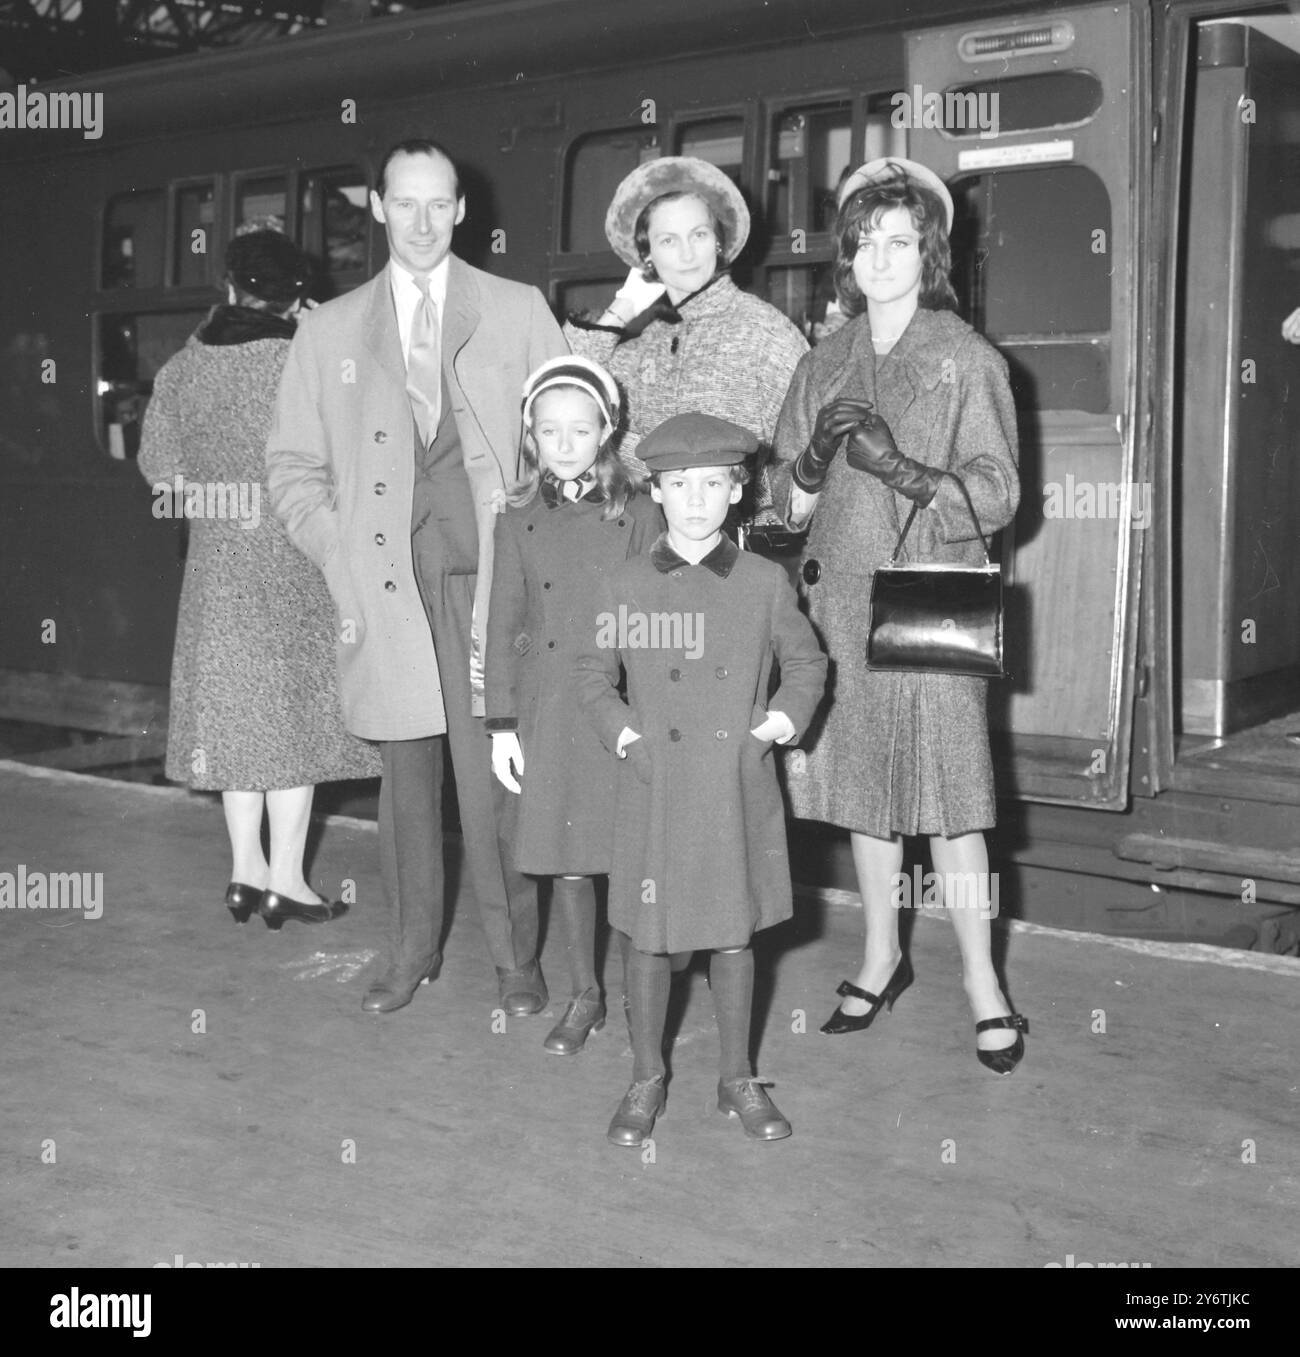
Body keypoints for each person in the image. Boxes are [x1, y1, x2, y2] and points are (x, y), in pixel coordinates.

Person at [266, 138, 567, 1014]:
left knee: (496, 784)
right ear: (377, 206)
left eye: (440, 204)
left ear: (462, 209)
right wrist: (342, 553)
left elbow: (572, 436)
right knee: (406, 786)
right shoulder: (328, 330)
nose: (424, 222)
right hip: (388, 592)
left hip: (490, 584)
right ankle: (409, 950)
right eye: (406, 203)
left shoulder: (517, 310)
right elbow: (291, 464)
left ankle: (516, 956)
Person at [770, 158, 1028, 1073]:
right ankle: (880, 958)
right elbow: (777, 510)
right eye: (865, 240)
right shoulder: (822, 360)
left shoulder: (967, 359)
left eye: (899, 240)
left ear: (929, 252)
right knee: (864, 800)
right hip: (839, 602)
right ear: (846, 256)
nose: (880, 255)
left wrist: (906, 473)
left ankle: (983, 985)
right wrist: (804, 471)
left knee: (955, 803)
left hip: (928, 601)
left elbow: (1001, 494)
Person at [575, 412, 827, 1146]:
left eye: (712, 484)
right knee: (649, 937)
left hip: (730, 784)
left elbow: (807, 664)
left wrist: (774, 726)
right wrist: (627, 737)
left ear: (737, 490)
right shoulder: (623, 584)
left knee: (732, 934)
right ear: (656, 490)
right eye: (679, 485)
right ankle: (646, 1074)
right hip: (656, 784)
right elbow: (594, 676)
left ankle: (736, 1077)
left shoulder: (762, 582)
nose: (694, 500)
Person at [138, 228, 379, 929]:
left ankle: (243, 874)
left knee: (240, 729)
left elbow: (163, 474)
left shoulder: (184, 370)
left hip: (219, 571)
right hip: (300, 560)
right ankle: (287, 882)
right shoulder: (305, 361)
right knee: (295, 730)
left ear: (231, 288)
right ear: (296, 296)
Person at [485, 356, 663, 1054]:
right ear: (531, 436)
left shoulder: (640, 511)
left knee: (625, 850)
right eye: (549, 430)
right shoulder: (517, 515)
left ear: (607, 431)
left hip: (620, 704)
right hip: (549, 704)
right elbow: (501, 623)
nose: (564, 443)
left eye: (580, 428)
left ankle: (637, 987)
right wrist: (502, 721)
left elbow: (656, 616)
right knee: (567, 855)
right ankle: (582, 992)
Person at [563, 156, 807, 520]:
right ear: (647, 256)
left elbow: (807, 451)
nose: (687, 254)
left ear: (719, 243)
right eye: (667, 240)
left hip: (742, 548)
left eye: (699, 234)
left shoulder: (764, 331)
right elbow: (567, 385)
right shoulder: (644, 345)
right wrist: (623, 307)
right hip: (649, 544)